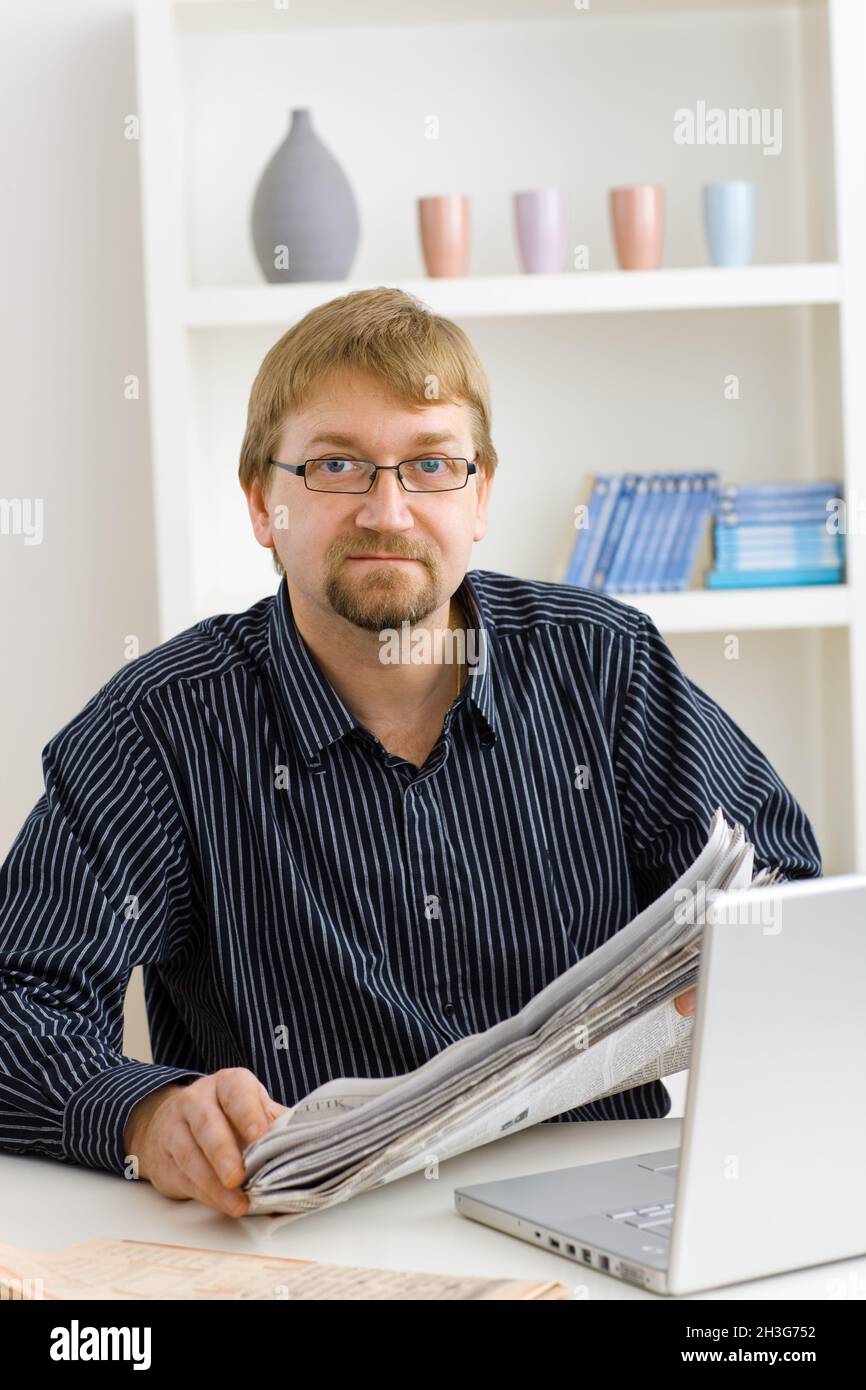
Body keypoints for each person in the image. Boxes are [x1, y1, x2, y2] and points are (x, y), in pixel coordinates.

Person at [0, 287, 821, 1218]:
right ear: (261, 503)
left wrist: (731, 983)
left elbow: (780, 891)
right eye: (336, 465)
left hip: (601, 1209)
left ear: (480, 497)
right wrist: (146, 1115)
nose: (387, 513)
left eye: (430, 464)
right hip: (304, 1238)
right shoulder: (161, 726)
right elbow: (19, 999)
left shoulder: (604, 663)